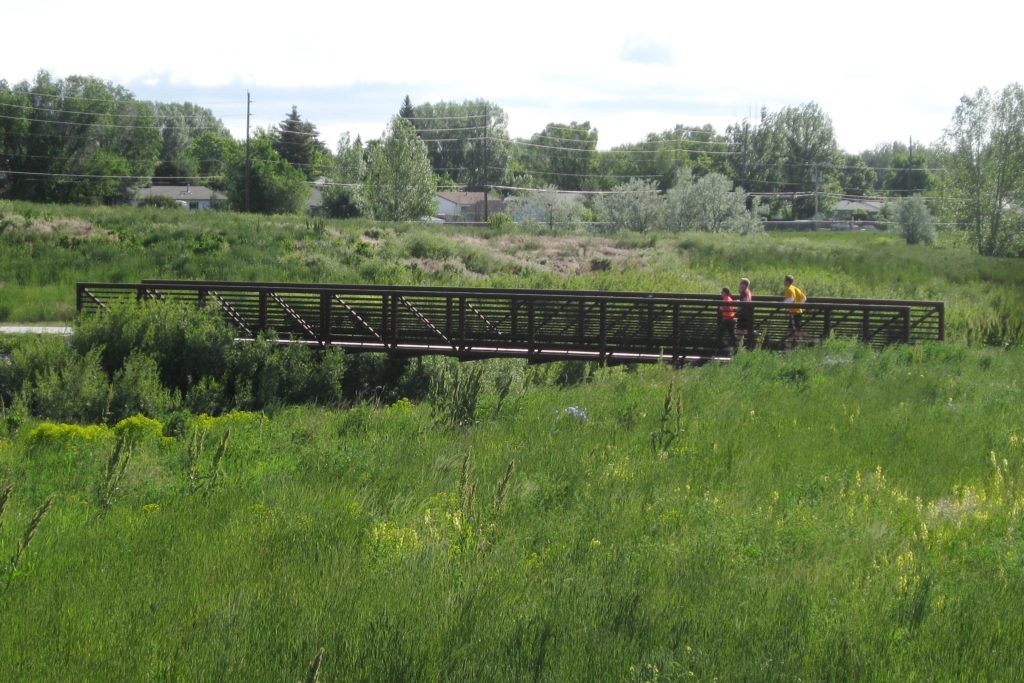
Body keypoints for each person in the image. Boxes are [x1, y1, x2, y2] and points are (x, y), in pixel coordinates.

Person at [782, 274, 806, 348]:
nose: (783, 281)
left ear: (787, 281)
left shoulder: (789, 289)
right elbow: (804, 298)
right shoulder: (796, 288)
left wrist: (783, 304)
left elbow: (791, 299)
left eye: (784, 280)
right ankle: (788, 346)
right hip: (798, 312)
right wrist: (799, 306)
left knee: (794, 330)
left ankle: (810, 340)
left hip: (794, 313)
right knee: (791, 330)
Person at [736, 277, 756, 349]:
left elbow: (744, 303)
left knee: (739, 333)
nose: (739, 285)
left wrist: (737, 308)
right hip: (748, 315)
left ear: (744, 284)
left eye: (741, 283)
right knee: (745, 331)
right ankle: (740, 348)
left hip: (743, 315)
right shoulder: (748, 291)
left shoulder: (744, 292)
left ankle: (738, 349)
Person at [718, 286, 738, 353]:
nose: (721, 293)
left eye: (722, 292)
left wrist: (722, 308)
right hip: (731, 319)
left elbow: (720, 309)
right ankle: (735, 347)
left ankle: (724, 347)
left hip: (727, 319)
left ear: (725, 293)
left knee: (720, 333)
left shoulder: (725, 299)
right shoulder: (729, 298)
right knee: (731, 334)